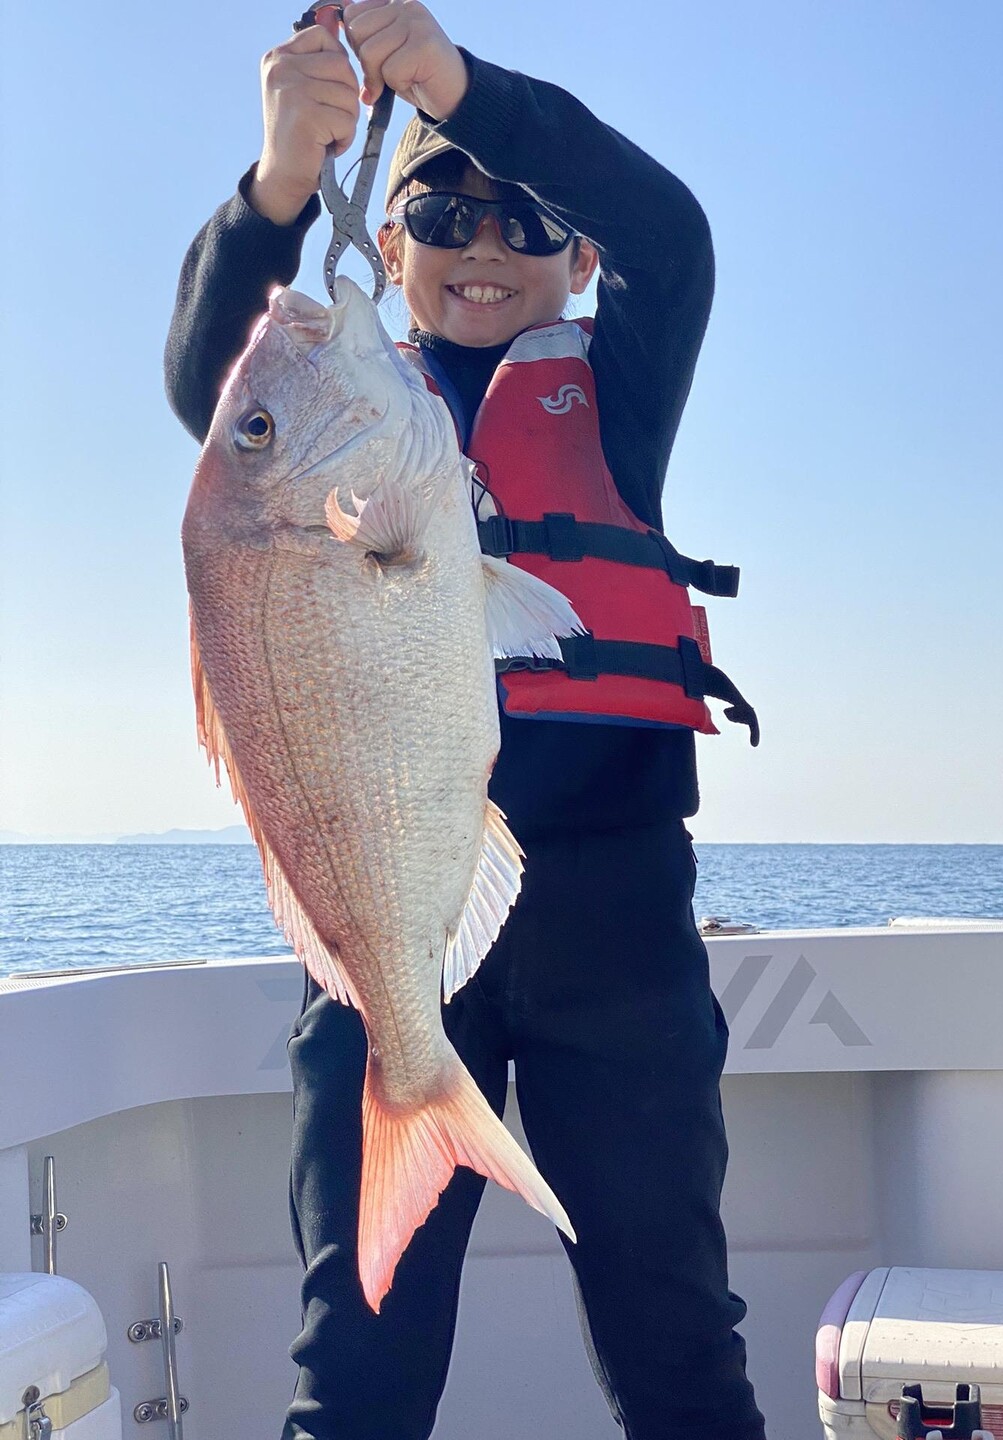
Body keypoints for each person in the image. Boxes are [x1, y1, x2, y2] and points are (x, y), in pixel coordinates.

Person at [164, 2, 767, 1436]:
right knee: (356, 1368)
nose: (485, 244)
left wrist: (461, 89)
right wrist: (275, 190)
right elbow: (210, 387)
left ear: (582, 257)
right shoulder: (323, 406)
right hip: (384, 940)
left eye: (526, 219)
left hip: (615, 922)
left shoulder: (616, 389)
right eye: (442, 206)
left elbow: (675, 231)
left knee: (677, 1337)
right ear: (387, 245)